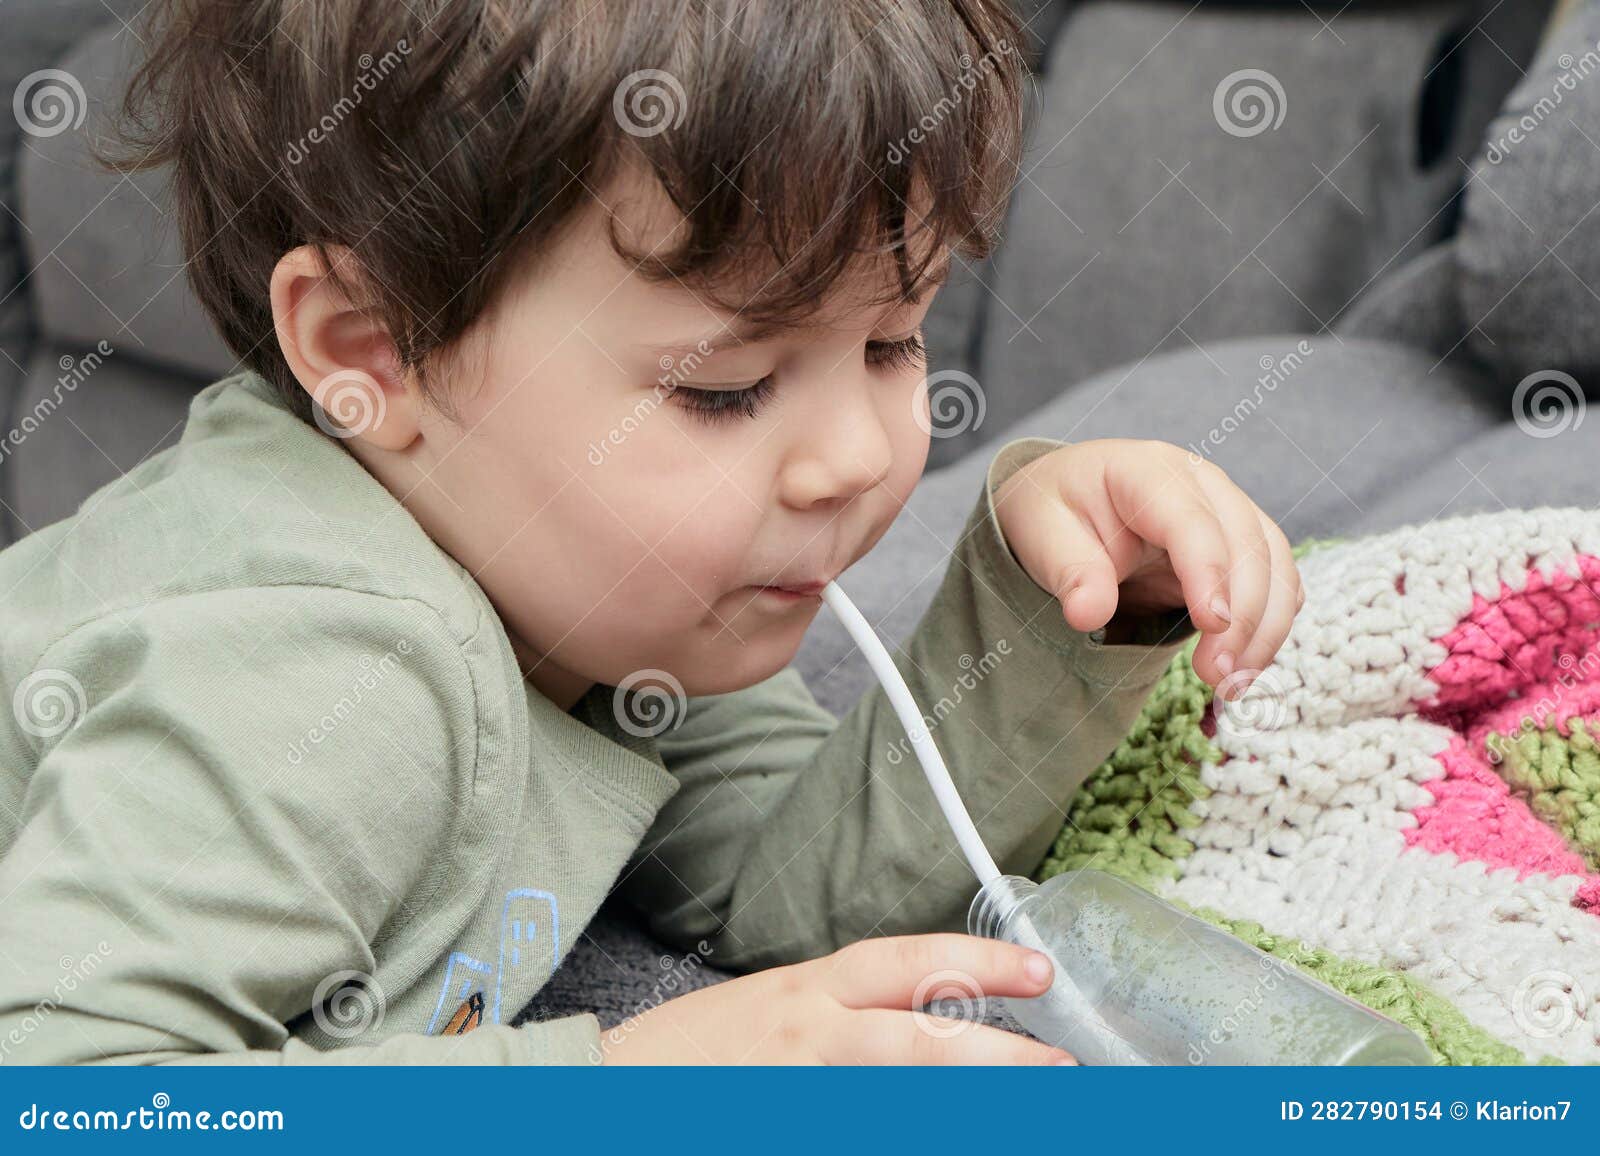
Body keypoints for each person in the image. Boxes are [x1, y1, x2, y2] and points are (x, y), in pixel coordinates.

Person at [0, 0, 1300, 1065]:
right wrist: (620, 1081)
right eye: (724, 388)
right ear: (370, 354)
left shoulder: (599, 592)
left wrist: (1051, 599)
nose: (856, 456)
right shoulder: (329, 668)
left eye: (893, 344)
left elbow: (785, 892)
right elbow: (70, 1095)